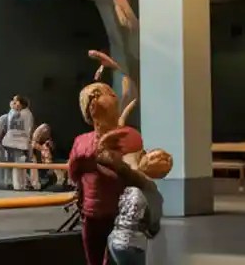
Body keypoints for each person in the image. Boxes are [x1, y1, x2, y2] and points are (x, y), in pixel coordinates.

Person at [69, 82, 133, 265]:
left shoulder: (127, 139)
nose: (97, 99)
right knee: (95, 258)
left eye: (104, 94)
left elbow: (136, 174)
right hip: (91, 212)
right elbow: (74, 174)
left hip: (122, 213)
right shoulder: (81, 141)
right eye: (93, 96)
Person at [105, 135, 173, 265]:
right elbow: (153, 227)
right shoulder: (155, 196)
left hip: (114, 239)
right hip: (133, 244)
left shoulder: (127, 180)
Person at [0, 96, 36, 190]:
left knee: (19, 163)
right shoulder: (12, 113)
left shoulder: (26, 114)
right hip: (11, 141)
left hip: (19, 142)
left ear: (22, 104)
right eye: (13, 101)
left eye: (16, 102)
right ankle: (17, 184)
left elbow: (29, 128)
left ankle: (21, 184)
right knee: (15, 164)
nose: (13, 103)